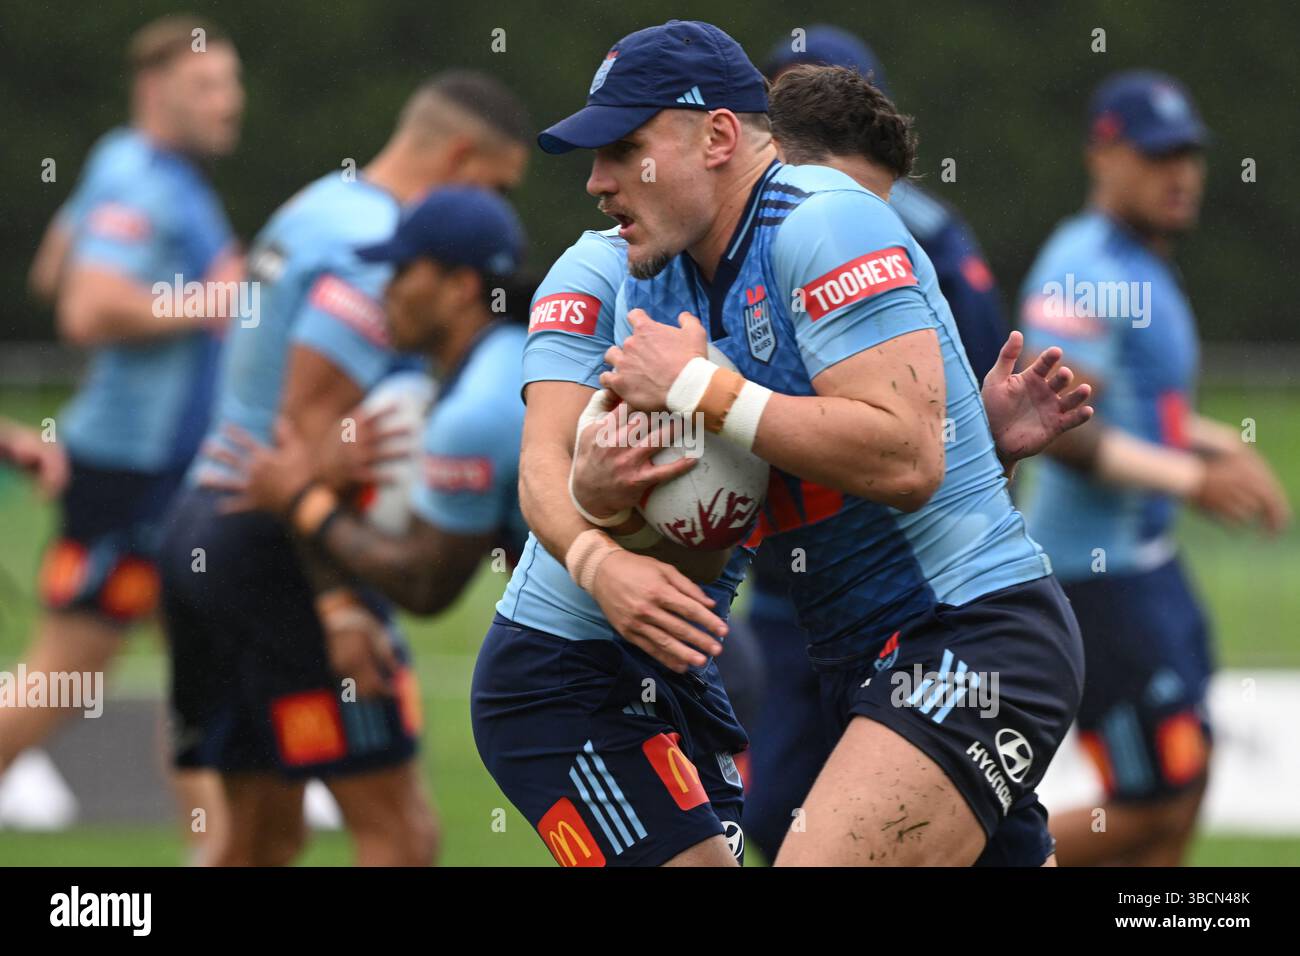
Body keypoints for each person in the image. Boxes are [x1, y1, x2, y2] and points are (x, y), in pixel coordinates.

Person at [477, 21, 1089, 867]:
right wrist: (603, 512)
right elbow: (722, 515)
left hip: (967, 637)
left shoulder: (819, 221)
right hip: (847, 660)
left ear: (720, 137)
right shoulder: (658, 284)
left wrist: (700, 390)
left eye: (624, 149)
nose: (597, 181)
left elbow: (907, 461)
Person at [158, 72, 531, 866]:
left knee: (259, 842)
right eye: (497, 186)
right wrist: (340, 606)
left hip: (207, 522)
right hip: (277, 552)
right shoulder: (382, 251)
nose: (501, 210)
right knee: (401, 836)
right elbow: (305, 434)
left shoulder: (321, 204)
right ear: (461, 158)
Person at [735, 26, 1015, 860]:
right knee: (776, 818)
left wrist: (704, 395)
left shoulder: (917, 239)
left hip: (921, 606)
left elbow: (928, 441)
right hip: (791, 604)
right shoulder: (727, 246)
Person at [1019, 70, 1291, 866]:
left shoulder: (1144, 262)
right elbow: (1063, 429)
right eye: (1156, 155)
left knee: (1186, 782)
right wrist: (1193, 480)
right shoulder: (1083, 265)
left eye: (1188, 155)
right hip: (1093, 578)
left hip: (1149, 566)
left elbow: (1138, 408)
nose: (1181, 175)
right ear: (1102, 156)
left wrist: (1214, 442)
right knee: (1148, 806)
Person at [6, 14, 244, 863]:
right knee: (63, 680)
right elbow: (84, 306)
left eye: (232, 83)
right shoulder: (144, 179)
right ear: (154, 91)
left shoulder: (125, 164)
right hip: (132, 475)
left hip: (169, 472)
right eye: (206, 85)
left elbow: (52, 268)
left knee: (202, 676)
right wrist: (211, 302)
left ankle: (214, 851)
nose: (229, 101)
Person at [203, 186, 531, 612]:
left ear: (460, 288)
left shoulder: (473, 412)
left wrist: (303, 498)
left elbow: (424, 586)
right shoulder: (512, 357)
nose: (383, 289)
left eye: (401, 271)